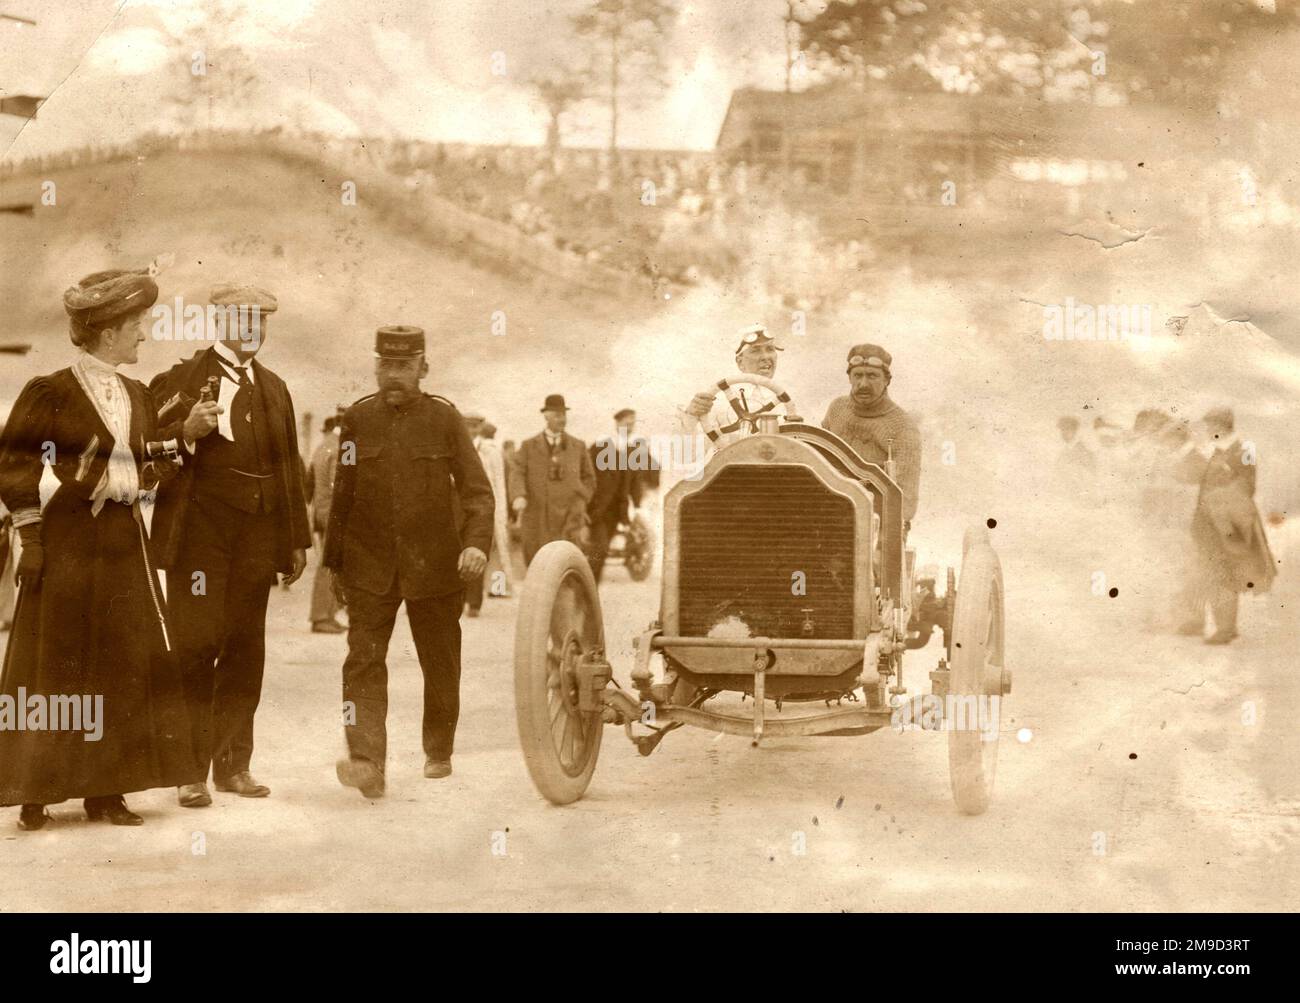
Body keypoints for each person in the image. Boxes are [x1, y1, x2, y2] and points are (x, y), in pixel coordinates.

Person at [0, 268, 194, 830]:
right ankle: (36, 790)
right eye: (137, 325)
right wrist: (30, 537)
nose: (144, 335)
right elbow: (12, 467)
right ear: (108, 330)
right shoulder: (51, 391)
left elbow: (152, 462)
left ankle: (107, 790)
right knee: (54, 664)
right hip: (66, 542)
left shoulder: (138, 393)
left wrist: (178, 450)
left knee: (120, 663)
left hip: (122, 542)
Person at [150, 284, 311, 808]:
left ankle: (234, 765)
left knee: (246, 648)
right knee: (197, 646)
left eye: (260, 323)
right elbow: (149, 450)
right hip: (199, 537)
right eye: (243, 321)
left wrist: (295, 542)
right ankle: (189, 770)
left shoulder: (275, 388)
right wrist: (187, 431)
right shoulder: (180, 380)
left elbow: (289, 471)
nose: (252, 332)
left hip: (258, 538)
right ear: (218, 323)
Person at [325, 326, 493, 796]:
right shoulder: (357, 419)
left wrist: (476, 543)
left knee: (440, 662)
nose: (392, 375)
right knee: (362, 661)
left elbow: (478, 491)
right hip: (368, 563)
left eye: (403, 366)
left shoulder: (445, 419)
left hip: (436, 565)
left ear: (423, 367)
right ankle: (366, 760)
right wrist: (333, 563)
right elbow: (344, 494)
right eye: (385, 365)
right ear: (376, 365)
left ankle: (438, 749)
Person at [1175, 407, 1276, 644]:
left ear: (1221, 427)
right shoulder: (1216, 452)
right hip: (1209, 524)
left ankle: (1227, 628)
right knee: (1204, 570)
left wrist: (1222, 491)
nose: (1208, 431)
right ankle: (1202, 621)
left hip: (1229, 525)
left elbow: (1248, 487)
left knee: (1225, 574)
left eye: (1211, 427)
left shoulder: (1244, 450)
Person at [821, 343, 922, 526]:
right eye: (857, 375)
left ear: (887, 380)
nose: (863, 384)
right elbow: (819, 464)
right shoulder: (836, 409)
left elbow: (905, 505)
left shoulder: (902, 427)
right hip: (829, 516)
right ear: (849, 378)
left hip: (878, 524)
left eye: (873, 376)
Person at [674, 324, 791, 453]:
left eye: (770, 349)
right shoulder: (717, 402)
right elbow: (687, 454)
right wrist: (691, 416)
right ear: (740, 362)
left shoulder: (787, 403)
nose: (765, 357)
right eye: (755, 350)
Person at [510, 394, 595, 567]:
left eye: (564, 415)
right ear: (546, 416)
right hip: (537, 516)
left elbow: (589, 477)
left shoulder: (577, 446)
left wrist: (581, 498)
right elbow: (517, 472)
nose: (562, 419)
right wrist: (519, 495)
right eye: (557, 415)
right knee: (536, 565)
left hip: (569, 517)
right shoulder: (528, 446)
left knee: (568, 566)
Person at [586, 407, 646, 583]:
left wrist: (638, 505)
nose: (630, 427)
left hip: (616, 511)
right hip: (597, 508)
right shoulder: (600, 447)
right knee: (600, 548)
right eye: (626, 424)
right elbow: (587, 476)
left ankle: (589, 590)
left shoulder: (632, 450)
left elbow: (635, 481)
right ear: (617, 423)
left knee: (600, 552)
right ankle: (588, 591)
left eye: (632, 424)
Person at [463, 416, 512, 616]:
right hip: (461, 507)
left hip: (484, 507)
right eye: (469, 426)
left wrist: (501, 513)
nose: (472, 430)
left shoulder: (489, 452)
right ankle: (459, 600)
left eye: (476, 427)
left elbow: (499, 482)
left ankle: (474, 603)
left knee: (480, 550)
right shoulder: (456, 447)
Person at [305, 409, 345, 633]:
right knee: (330, 564)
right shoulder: (340, 446)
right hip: (334, 513)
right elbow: (337, 483)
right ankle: (322, 616)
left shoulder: (324, 445)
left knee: (331, 563)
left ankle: (328, 613)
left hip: (322, 511)